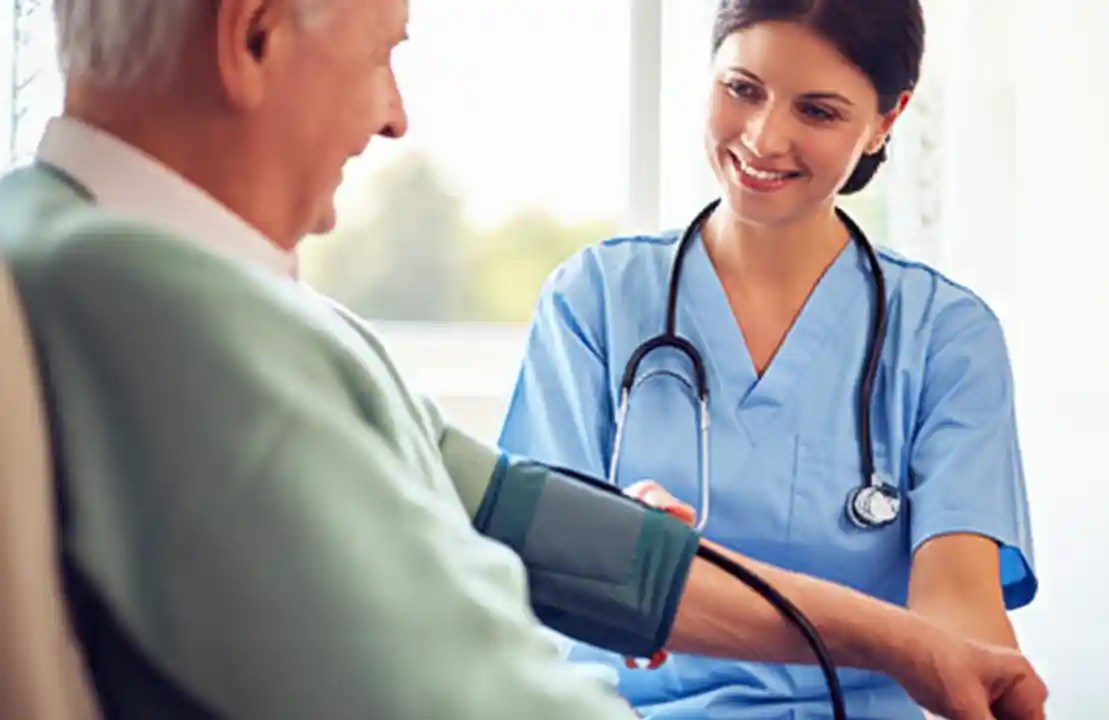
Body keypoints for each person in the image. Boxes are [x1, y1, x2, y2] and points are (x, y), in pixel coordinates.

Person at [0, 0, 1045, 718]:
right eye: (382, 49)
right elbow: (440, 688)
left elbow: (528, 521)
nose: (393, 112)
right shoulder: (184, 317)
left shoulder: (139, 262)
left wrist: (910, 645)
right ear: (253, 37)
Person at [499, 0, 1040, 717]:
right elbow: (544, 572)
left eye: (817, 112)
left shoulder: (946, 334)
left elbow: (957, 604)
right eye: (742, 89)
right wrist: (613, 551)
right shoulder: (594, 301)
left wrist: (981, 678)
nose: (763, 137)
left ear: (886, 119)